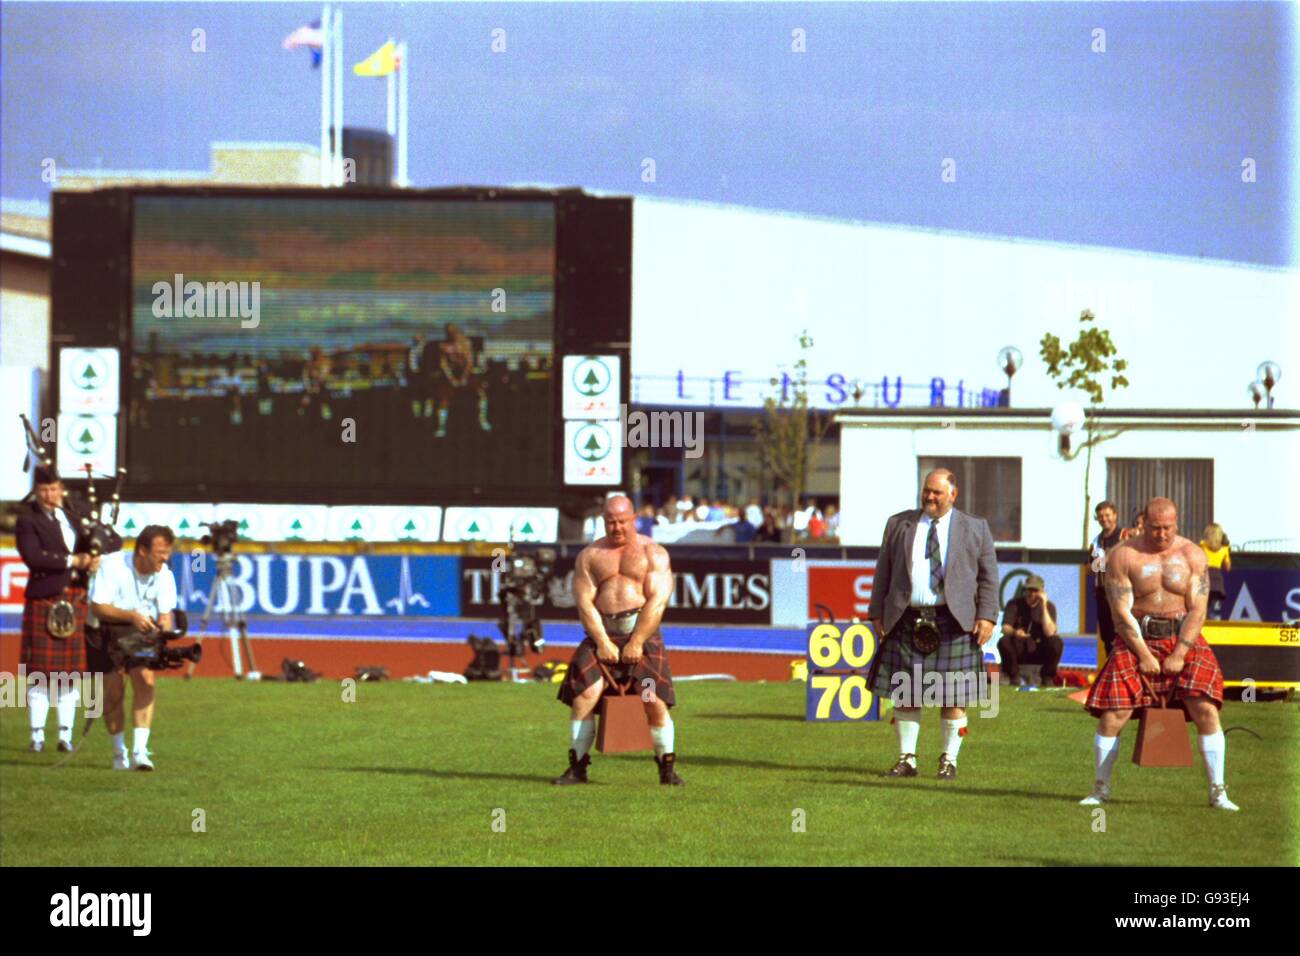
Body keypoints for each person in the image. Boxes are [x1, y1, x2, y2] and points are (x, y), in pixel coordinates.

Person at [1082, 498, 1237, 810]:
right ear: (1144, 523)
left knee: (1206, 709)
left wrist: (1180, 652)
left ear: (1176, 523)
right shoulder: (1123, 555)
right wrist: (1142, 653)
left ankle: (1218, 792)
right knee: (1114, 714)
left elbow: (1198, 610)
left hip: (1183, 638)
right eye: (1155, 528)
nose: (1162, 534)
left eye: (1167, 528)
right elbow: (1120, 613)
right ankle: (1100, 790)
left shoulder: (1192, 555)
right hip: (1136, 638)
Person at [868, 468, 999, 780]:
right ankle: (907, 760)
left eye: (936, 492)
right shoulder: (899, 524)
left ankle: (948, 760)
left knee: (953, 696)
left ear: (953, 494)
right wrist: (876, 612)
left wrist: (987, 615)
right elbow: (883, 572)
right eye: (926, 490)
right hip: (906, 618)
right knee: (906, 692)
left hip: (954, 622)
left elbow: (988, 577)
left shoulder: (975, 527)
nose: (929, 497)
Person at [552, 495, 683, 786]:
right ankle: (577, 768)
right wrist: (601, 641)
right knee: (585, 696)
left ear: (633, 518)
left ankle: (667, 768)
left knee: (652, 699)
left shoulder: (654, 553)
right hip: (602, 634)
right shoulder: (590, 555)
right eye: (611, 522)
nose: (617, 528)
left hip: (642, 635)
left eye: (622, 521)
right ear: (603, 522)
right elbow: (584, 602)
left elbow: (658, 602)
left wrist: (637, 641)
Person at [15, 466, 102, 753]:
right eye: (43, 490)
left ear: (61, 488)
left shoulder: (76, 515)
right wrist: (72, 561)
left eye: (53, 489)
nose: (49, 495)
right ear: (35, 491)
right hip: (45, 597)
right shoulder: (28, 520)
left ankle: (65, 735)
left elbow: (105, 540)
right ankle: (37, 736)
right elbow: (33, 557)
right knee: (41, 673)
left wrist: (95, 557)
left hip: (76, 596)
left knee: (71, 674)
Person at [88, 525, 177, 771]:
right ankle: (119, 754)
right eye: (160, 552)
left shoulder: (165, 574)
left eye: (168, 552)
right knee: (113, 691)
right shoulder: (112, 565)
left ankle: (140, 752)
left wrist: (162, 632)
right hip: (104, 628)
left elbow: (166, 615)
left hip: (140, 631)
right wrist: (132, 617)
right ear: (142, 551)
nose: (165, 558)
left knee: (146, 680)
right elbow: (98, 606)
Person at [998, 574, 1063, 687]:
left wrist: (1043, 605)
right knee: (1004, 641)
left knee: (1056, 642)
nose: (1031, 594)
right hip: (1019, 648)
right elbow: (1005, 627)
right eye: (1029, 589)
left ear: (1042, 591)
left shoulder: (1049, 606)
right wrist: (1015, 632)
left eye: (1035, 590)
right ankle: (1014, 677)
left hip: (1038, 650)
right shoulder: (1014, 604)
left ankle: (1047, 678)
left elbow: (1050, 632)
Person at [1089, 500, 1124, 656]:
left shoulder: (1126, 535)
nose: (1104, 519)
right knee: (1107, 636)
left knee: (1124, 633)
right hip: (1103, 594)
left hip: (1123, 593)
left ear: (1115, 515)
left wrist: (1108, 557)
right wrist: (1100, 562)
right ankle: (1111, 667)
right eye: (1101, 516)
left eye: (1107, 515)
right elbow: (1094, 569)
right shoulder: (1096, 542)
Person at [1200, 523, 1232, 620]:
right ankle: (1209, 618)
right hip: (1217, 577)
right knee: (1211, 603)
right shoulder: (1224, 549)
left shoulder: (1202, 545)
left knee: (1202, 603)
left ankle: (1204, 619)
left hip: (1205, 575)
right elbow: (1228, 567)